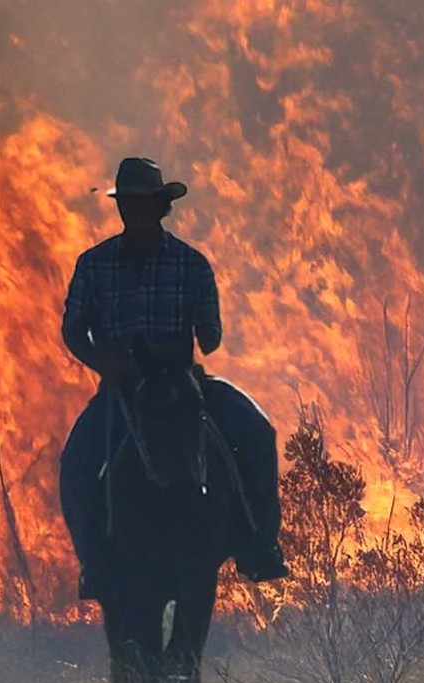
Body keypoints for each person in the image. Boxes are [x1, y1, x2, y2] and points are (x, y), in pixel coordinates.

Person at [59, 157, 289, 601]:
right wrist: (105, 362)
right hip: (122, 389)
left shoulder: (192, 265)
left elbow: (211, 336)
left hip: (184, 384)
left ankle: (259, 545)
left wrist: (203, 329)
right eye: (128, 206)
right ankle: (95, 562)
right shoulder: (93, 265)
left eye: (144, 205)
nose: (136, 214)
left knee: (256, 432)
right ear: (121, 209)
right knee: (77, 464)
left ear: (161, 208)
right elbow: (73, 330)